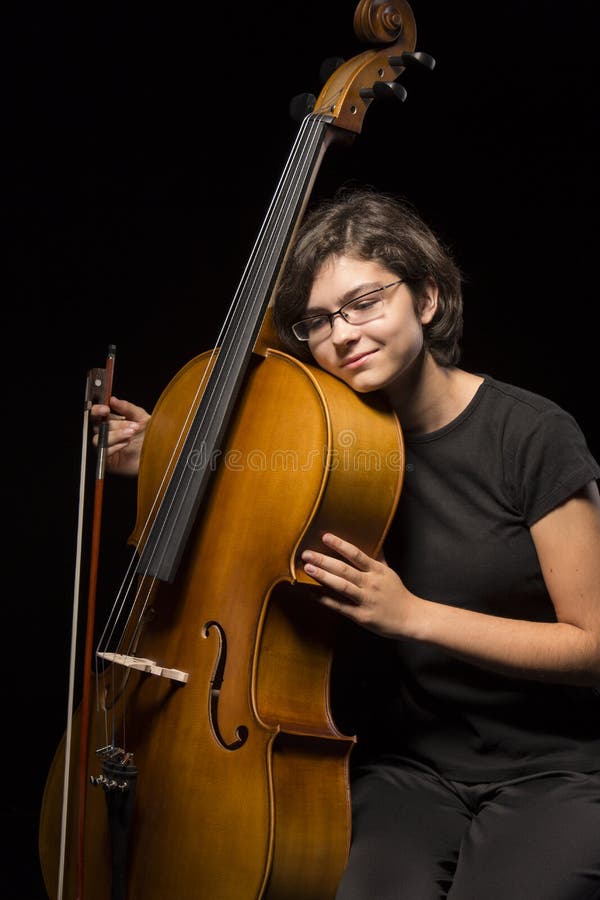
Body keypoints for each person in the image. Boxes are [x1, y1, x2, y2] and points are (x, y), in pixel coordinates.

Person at [92, 188, 600, 899]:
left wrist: (412, 614)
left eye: (365, 302)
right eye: (318, 321)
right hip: (409, 770)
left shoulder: (533, 434)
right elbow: (239, 502)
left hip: (555, 770)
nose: (344, 334)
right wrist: (164, 453)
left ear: (426, 298)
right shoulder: (321, 439)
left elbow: (593, 646)